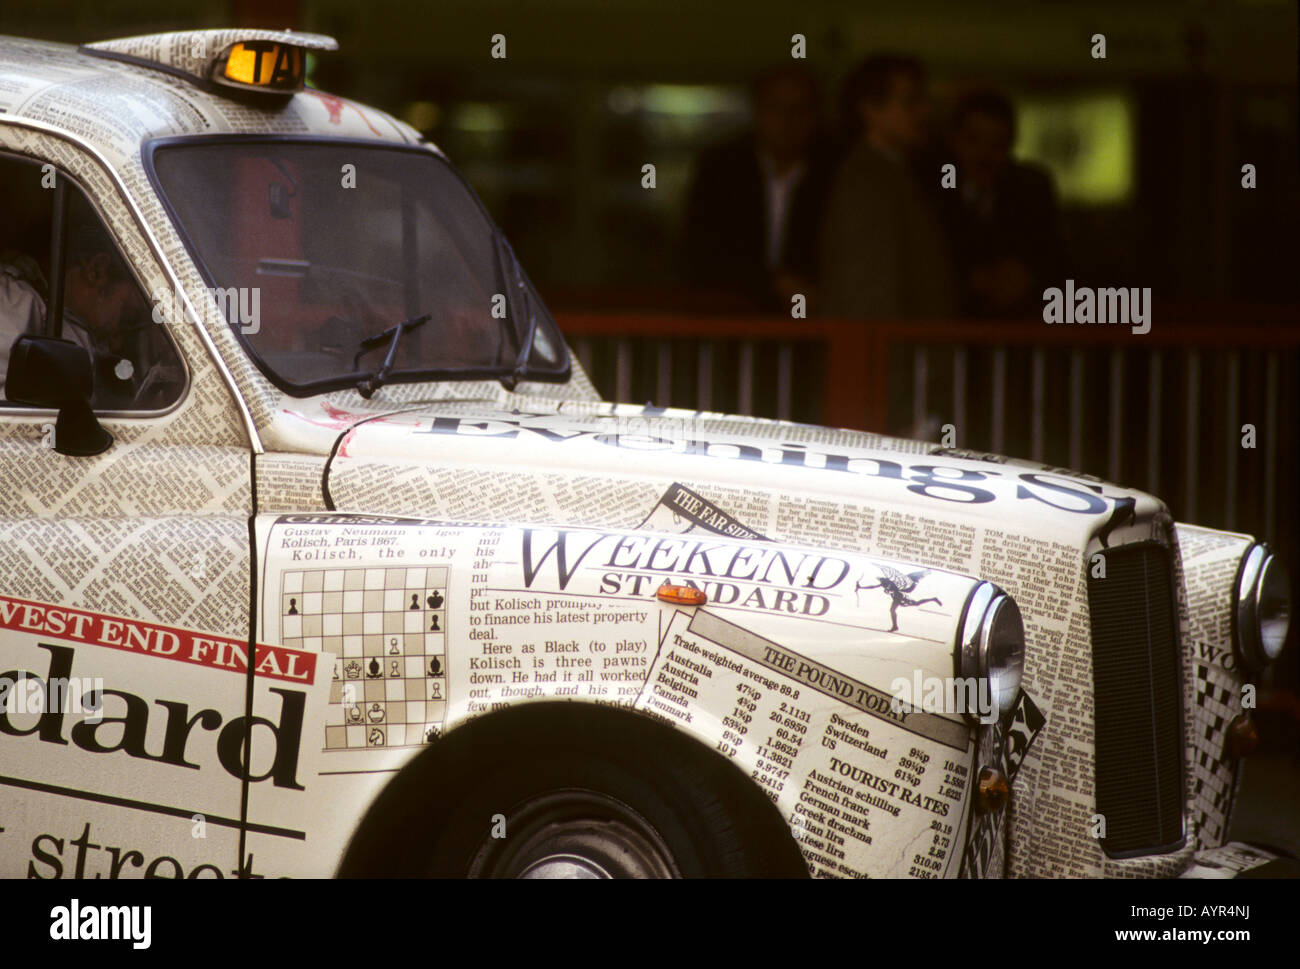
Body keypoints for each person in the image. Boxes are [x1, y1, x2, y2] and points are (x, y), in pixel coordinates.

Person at [683, 65, 835, 311]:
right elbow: (700, 252)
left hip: (814, 323)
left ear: (815, 115)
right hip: (728, 319)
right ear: (756, 111)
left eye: (800, 109)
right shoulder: (721, 170)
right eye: (775, 107)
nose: (787, 120)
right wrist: (773, 283)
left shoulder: (834, 173)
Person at [817, 54, 955, 320]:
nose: (924, 111)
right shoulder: (867, 180)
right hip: (891, 353)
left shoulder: (892, 174)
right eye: (910, 102)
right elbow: (868, 291)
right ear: (870, 109)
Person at [934, 90, 1066, 318]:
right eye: (973, 139)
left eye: (997, 143)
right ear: (954, 140)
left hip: (1018, 326)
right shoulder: (931, 190)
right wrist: (971, 279)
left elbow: (1055, 255)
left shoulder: (1030, 189)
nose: (984, 154)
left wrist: (1028, 273)